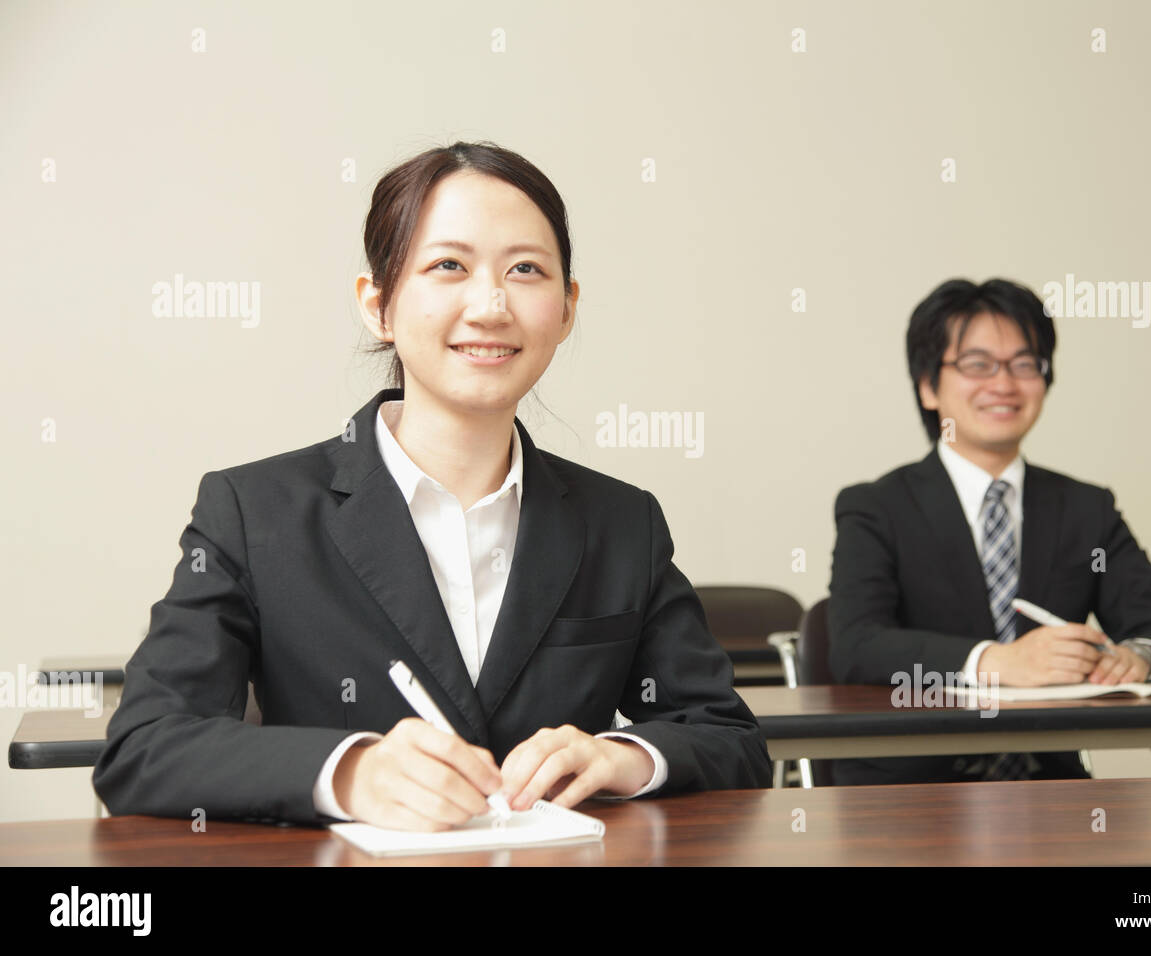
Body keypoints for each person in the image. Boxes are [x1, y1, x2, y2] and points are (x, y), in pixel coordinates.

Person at [94, 142, 770, 829]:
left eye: (527, 270)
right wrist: (350, 773)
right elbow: (145, 747)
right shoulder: (254, 512)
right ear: (378, 303)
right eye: (449, 266)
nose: (491, 305)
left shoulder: (624, 522)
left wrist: (623, 757)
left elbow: (729, 737)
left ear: (566, 309)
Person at [827, 277, 1151, 785]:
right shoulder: (876, 507)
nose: (1004, 384)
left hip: (1051, 791)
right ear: (927, 385)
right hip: (911, 793)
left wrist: (1138, 657)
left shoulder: (1086, 508)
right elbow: (857, 645)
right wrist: (996, 661)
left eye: (1025, 364)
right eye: (977, 364)